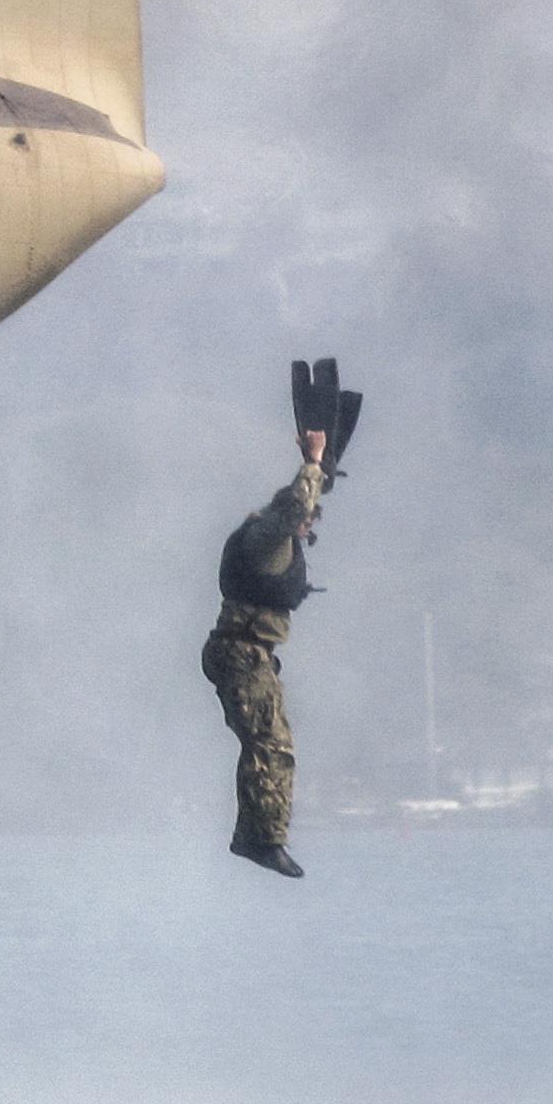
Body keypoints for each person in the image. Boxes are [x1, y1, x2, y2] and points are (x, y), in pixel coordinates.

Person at [204, 359, 354, 877]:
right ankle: (261, 839)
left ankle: (259, 835)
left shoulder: (274, 532)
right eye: (309, 519)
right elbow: (295, 507)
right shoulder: (268, 535)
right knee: (271, 745)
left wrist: (321, 466)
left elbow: (302, 503)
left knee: (271, 743)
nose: (310, 528)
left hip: (249, 653)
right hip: (242, 652)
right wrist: (312, 462)